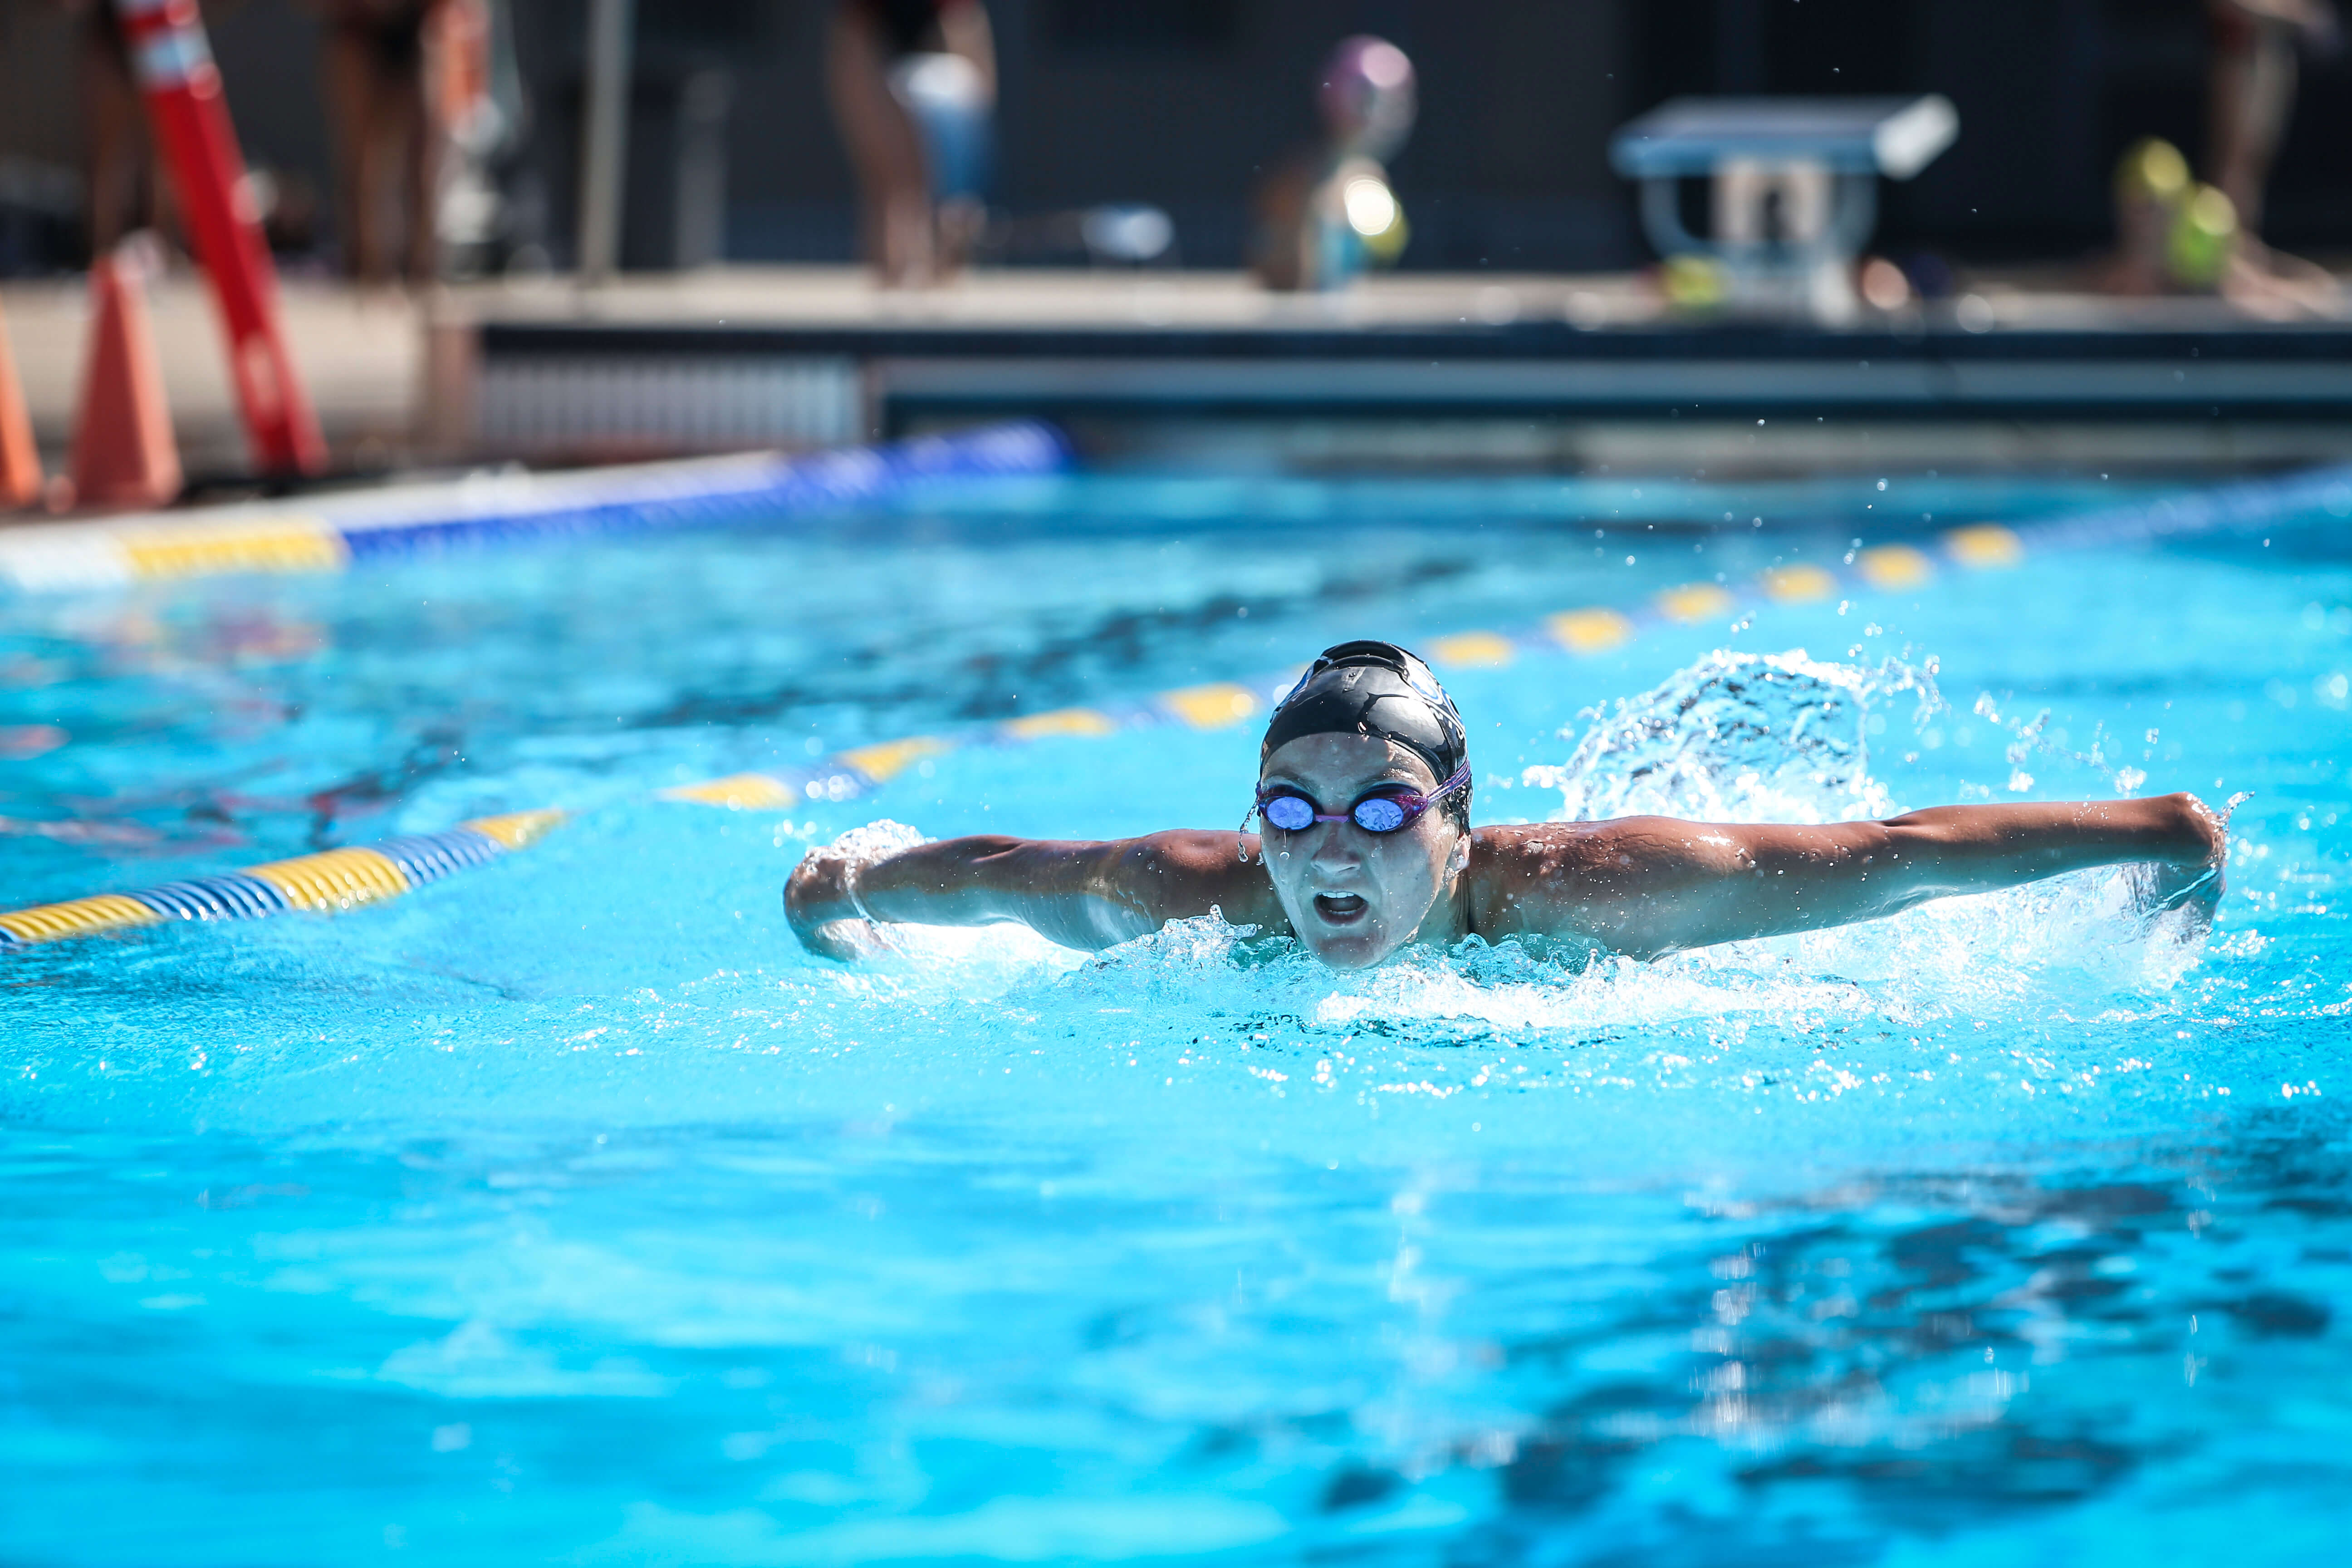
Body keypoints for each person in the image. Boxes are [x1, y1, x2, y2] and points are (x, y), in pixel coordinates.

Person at [785, 641, 2228, 970]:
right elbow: (991, 867)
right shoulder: (1192, 891)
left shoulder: (1597, 886)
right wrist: (846, 887)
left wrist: (2158, 833)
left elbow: (1892, 858)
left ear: (1458, 827)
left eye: (1381, 813)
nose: (1327, 854)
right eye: (1291, 815)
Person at [828, 0, 995, 287]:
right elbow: (851, 53)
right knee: (892, 188)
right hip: (880, 71)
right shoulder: (863, 19)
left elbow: (970, 37)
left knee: (946, 195)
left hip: (935, 85)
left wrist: (976, 111)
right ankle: (893, 278)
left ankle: (938, 271)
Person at [1253, 35, 1414, 292]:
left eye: (1397, 104)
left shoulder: (1371, 178)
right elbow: (1282, 280)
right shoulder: (1300, 181)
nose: (1388, 117)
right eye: (1373, 103)